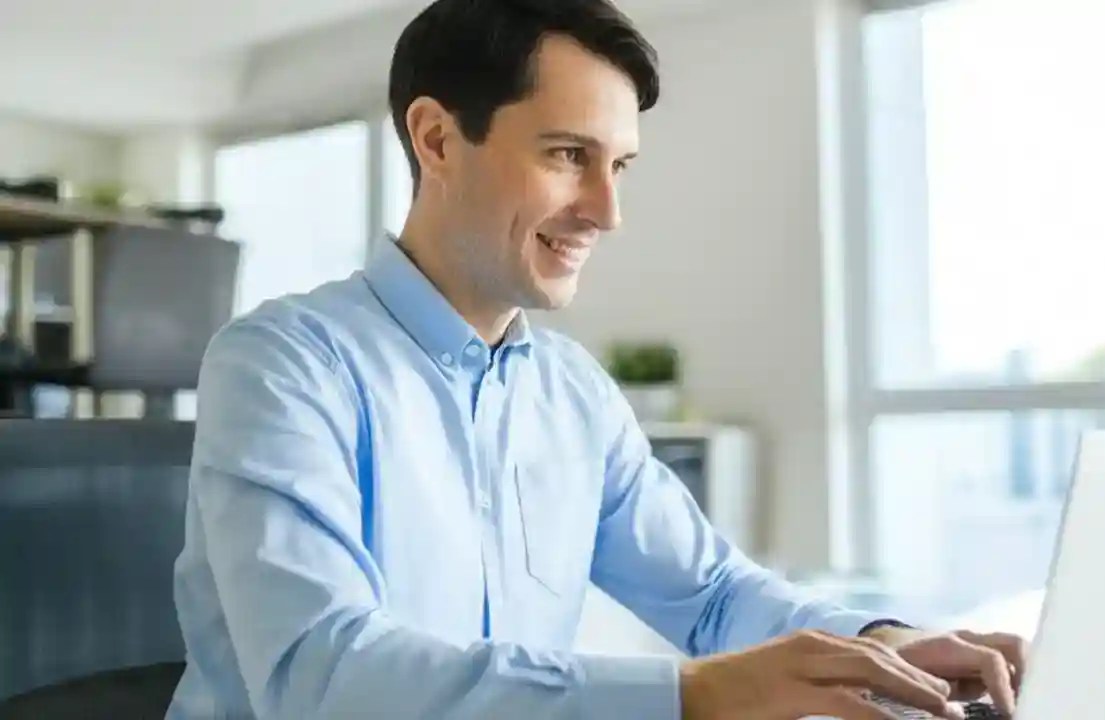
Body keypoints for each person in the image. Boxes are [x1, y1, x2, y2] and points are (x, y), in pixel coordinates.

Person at [167, 0, 1026, 718]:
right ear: (435, 139)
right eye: (568, 155)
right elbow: (322, 675)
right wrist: (693, 695)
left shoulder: (570, 393)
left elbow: (715, 594)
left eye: (619, 165)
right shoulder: (282, 365)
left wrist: (882, 645)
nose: (606, 210)